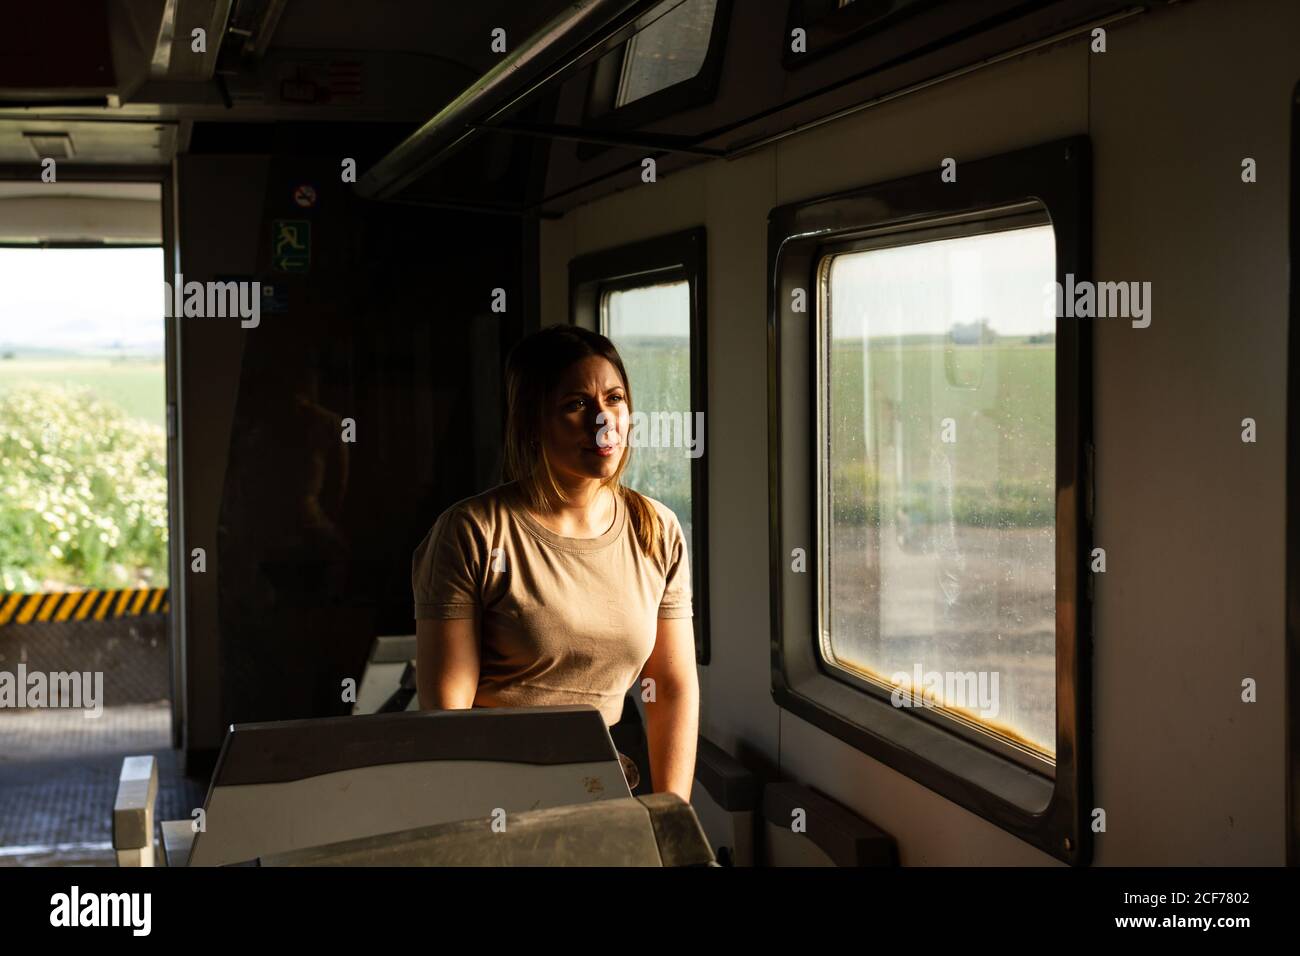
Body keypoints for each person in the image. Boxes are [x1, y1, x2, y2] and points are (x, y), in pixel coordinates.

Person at [412, 324, 698, 800]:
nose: (604, 421)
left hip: (603, 782)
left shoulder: (656, 529)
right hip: (489, 784)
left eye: (615, 399)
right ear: (532, 420)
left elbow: (670, 688)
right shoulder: (473, 533)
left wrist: (673, 814)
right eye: (576, 405)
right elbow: (447, 715)